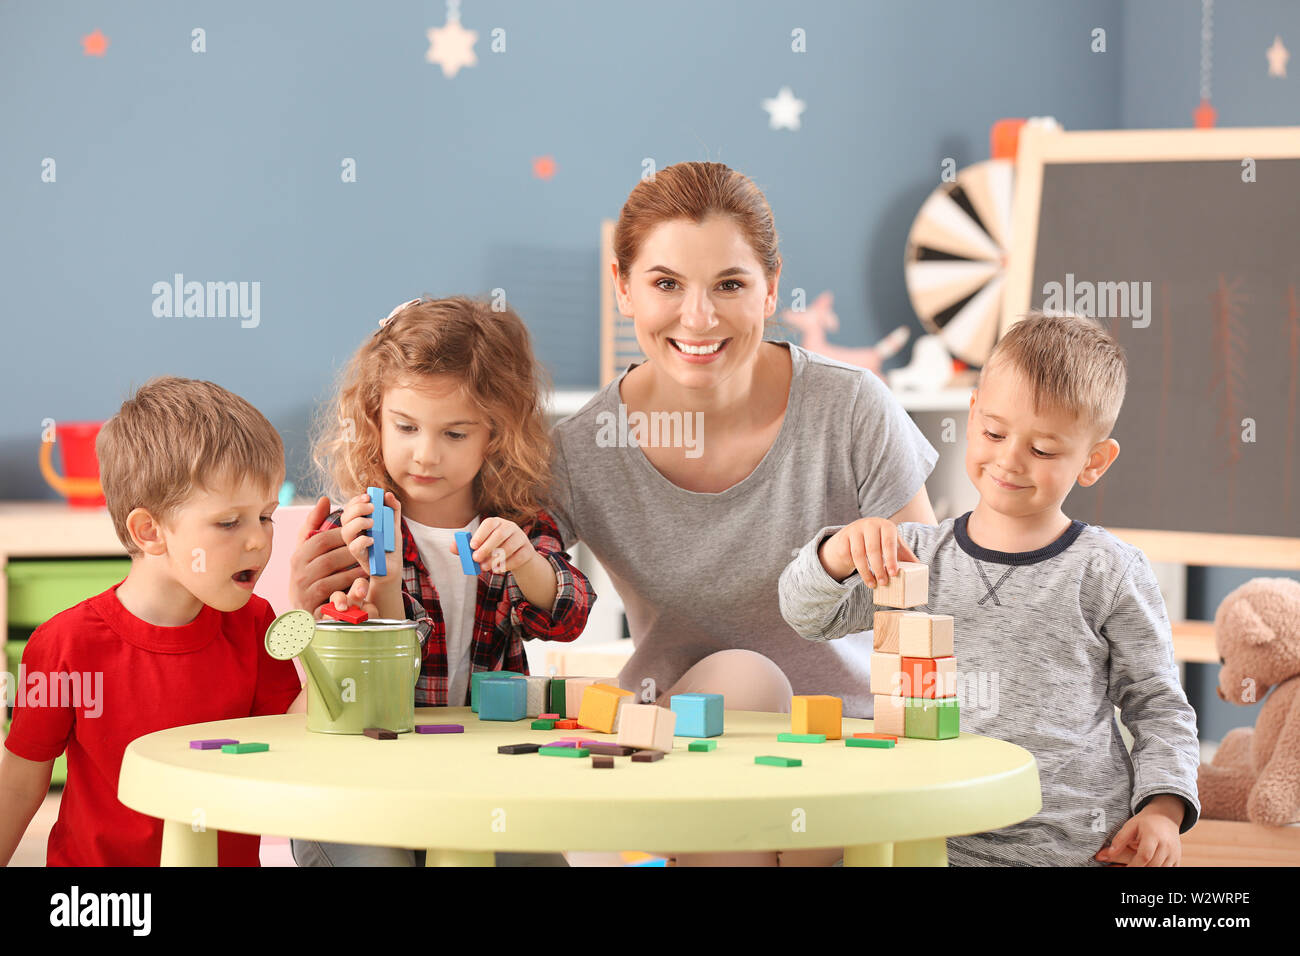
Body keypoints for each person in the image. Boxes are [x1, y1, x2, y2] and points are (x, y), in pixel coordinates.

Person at [546, 161, 939, 865]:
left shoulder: (850, 409)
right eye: (667, 284)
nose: (699, 318)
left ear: (771, 288)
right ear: (623, 288)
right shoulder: (583, 450)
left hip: (841, 746)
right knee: (741, 679)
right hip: (681, 753)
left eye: (730, 284)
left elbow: (928, 602)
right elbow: (496, 578)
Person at [779, 311, 1201, 866]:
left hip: (1071, 847)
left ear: (1094, 461)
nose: (1008, 459)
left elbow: (1159, 705)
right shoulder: (914, 555)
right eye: (995, 433)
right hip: (932, 837)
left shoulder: (1108, 571)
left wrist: (1163, 811)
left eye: (1043, 450)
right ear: (972, 413)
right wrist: (835, 554)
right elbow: (807, 615)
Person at [290, 295, 593, 867]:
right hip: (360, 790)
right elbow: (338, 688)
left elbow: (570, 614)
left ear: (494, 435)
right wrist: (372, 586)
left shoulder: (518, 527)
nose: (425, 454)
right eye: (406, 427)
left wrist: (526, 563)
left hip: (483, 787)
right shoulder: (351, 530)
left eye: (455, 434)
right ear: (375, 417)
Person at [0, 377, 303, 865]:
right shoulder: (64, 645)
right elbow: (19, 783)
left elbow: (293, 748)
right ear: (150, 532)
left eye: (266, 517)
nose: (258, 541)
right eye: (230, 522)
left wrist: (336, 638)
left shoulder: (257, 625)